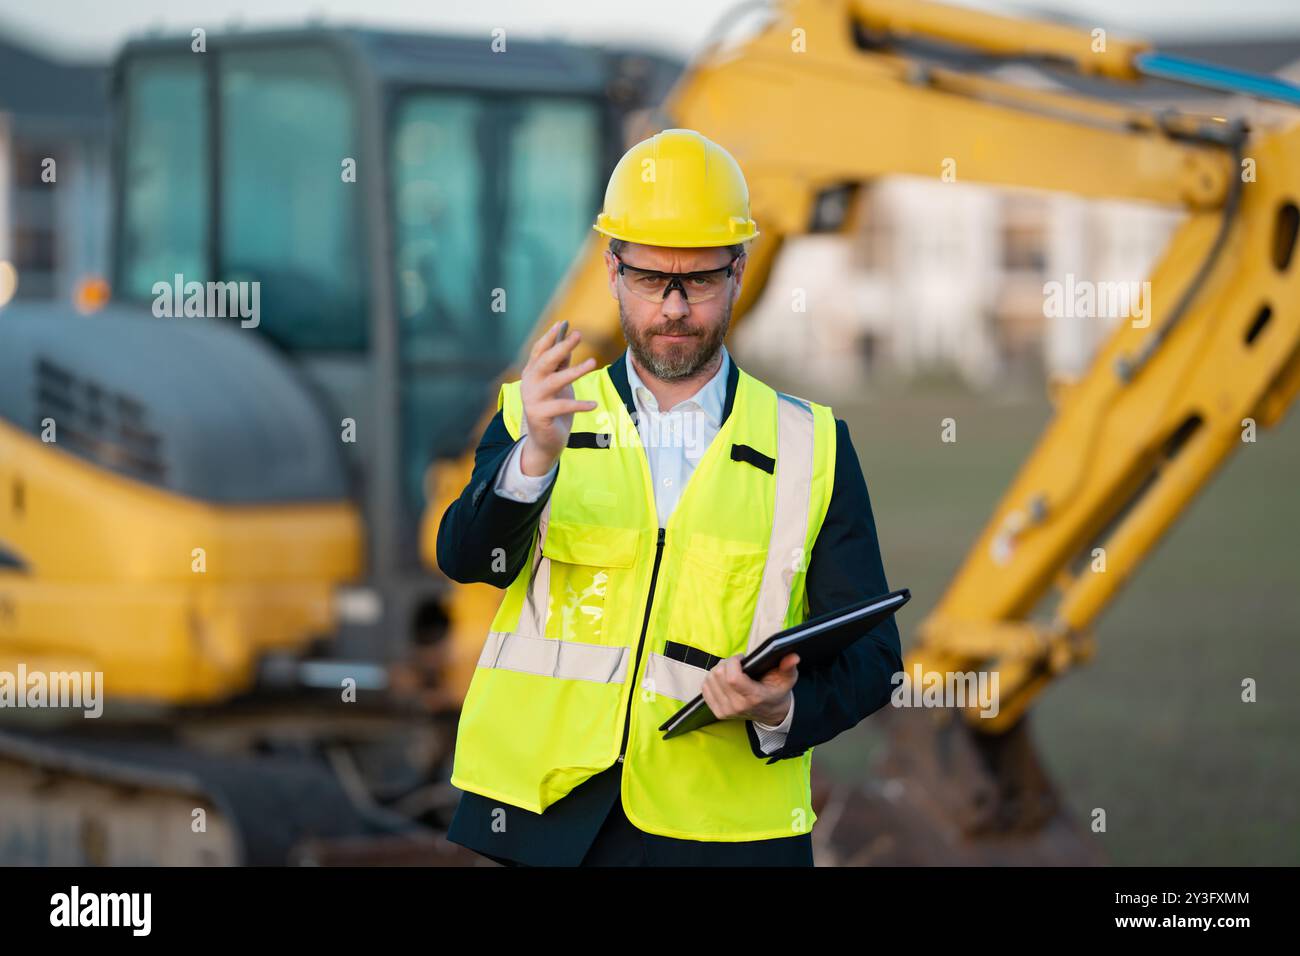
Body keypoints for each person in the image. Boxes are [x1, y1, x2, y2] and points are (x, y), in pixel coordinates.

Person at [436, 128, 902, 866]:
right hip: (545, 821)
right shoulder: (538, 411)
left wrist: (781, 707)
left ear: (740, 272)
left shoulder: (813, 446)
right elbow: (468, 560)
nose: (676, 307)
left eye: (700, 280)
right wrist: (534, 458)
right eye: (654, 279)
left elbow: (876, 659)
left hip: (723, 835)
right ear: (613, 272)